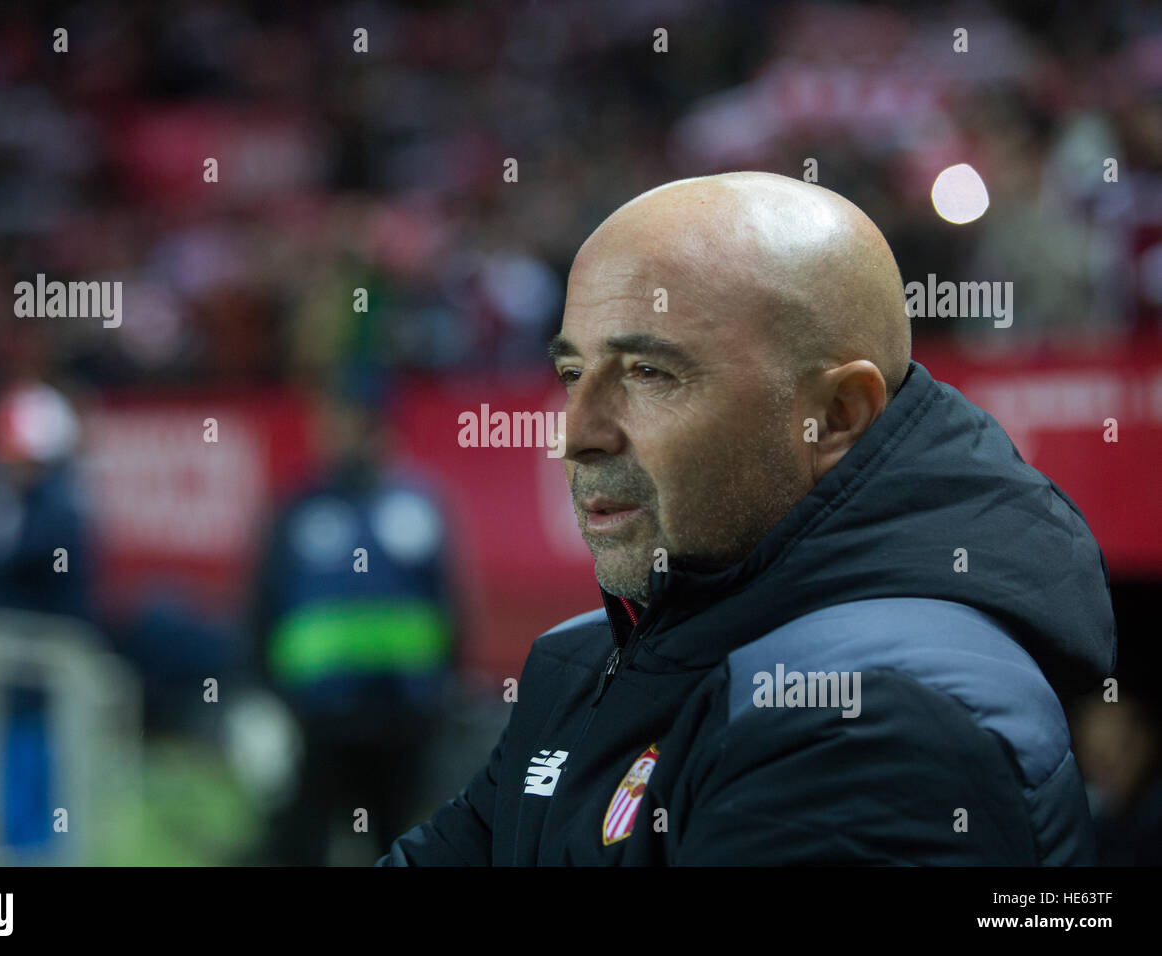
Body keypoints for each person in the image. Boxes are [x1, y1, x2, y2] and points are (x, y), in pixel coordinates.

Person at [377, 172, 1117, 865]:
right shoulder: (583, 664)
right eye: (572, 373)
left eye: (648, 373)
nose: (575, 434)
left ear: (837, 415)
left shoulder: (872, 715)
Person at [254, 385, 458, 865]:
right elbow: (263, 604)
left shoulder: (419, 506)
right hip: (315, 719)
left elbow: (448, 604)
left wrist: (444, 692)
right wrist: (260, 694)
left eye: (354, 422)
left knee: (399, 844)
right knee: (302, 845)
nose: (339, 434)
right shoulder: (298, 508)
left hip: (402, 717)